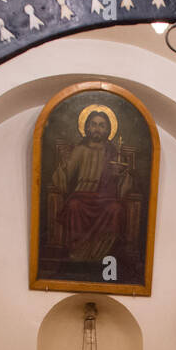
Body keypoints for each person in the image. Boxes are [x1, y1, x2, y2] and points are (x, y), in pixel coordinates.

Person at [50, 110, 133, 262]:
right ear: (87, 127)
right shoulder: (80, 150)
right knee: (74, 206)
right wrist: (62, 166)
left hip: (105, 198)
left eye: (102, 126)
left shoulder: (113, 152)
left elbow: (124, 181)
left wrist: (120, 175)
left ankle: (102, 253)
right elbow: (65, 175)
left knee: (116, 209)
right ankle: (77, 252)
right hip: (82, 195)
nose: (97, 129)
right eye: (93, 124)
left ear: (108, 130)